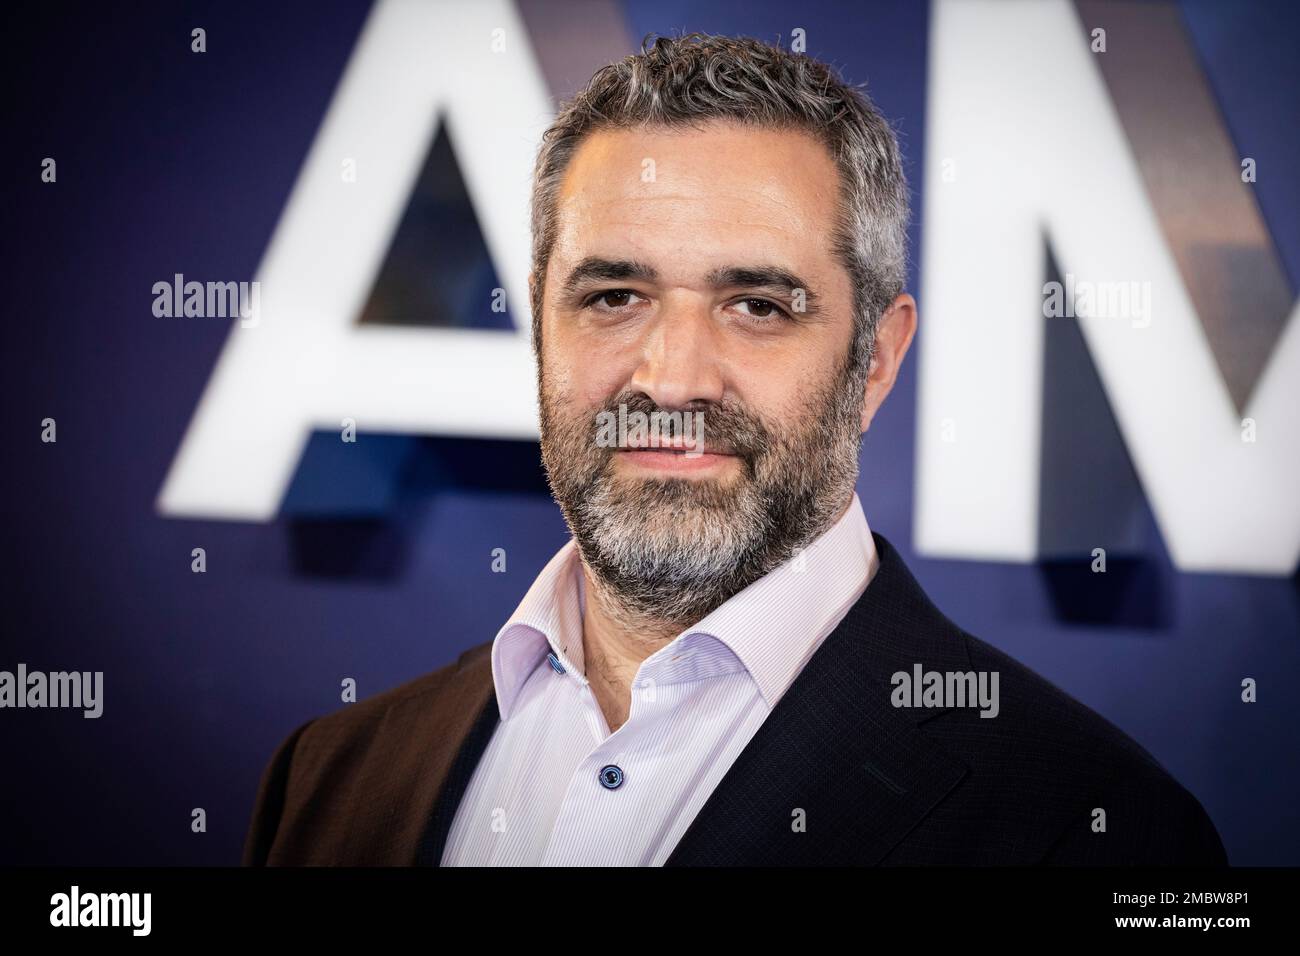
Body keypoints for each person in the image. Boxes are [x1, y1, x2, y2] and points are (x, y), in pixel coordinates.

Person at [243, 33, 1227, 866]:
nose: (672, 379)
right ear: (540, 325)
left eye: (755, 305)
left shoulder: (1095, 830)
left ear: (873, 361)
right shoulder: (327, 780)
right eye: (612, 297)